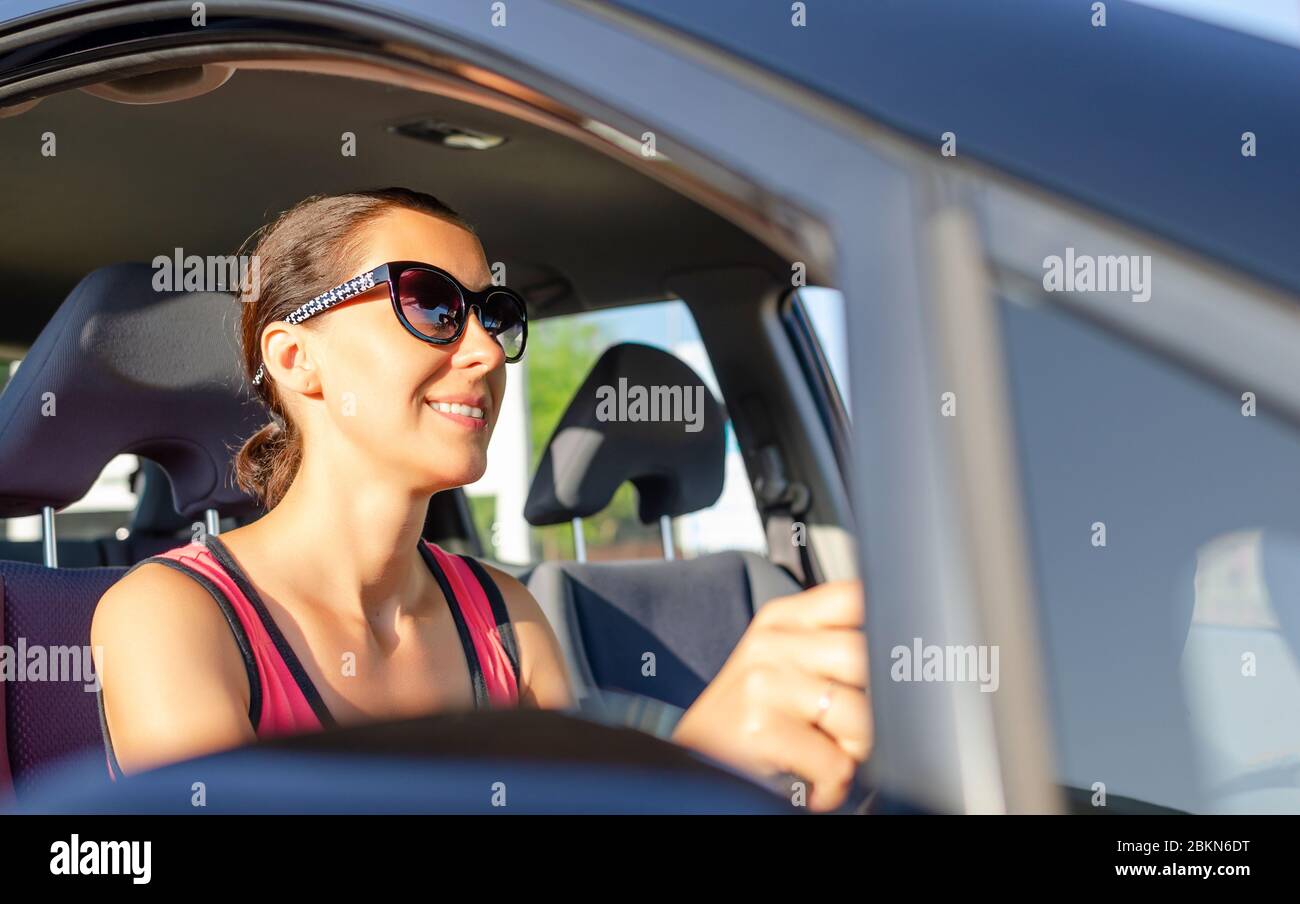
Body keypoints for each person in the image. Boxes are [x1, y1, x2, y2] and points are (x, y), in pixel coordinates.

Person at [91, 188, 871, 811]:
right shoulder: (170, 616)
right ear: (297, 359)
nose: (487, 349)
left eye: (494, 313)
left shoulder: (505, 617)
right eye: (430, 304)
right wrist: (686, 776)